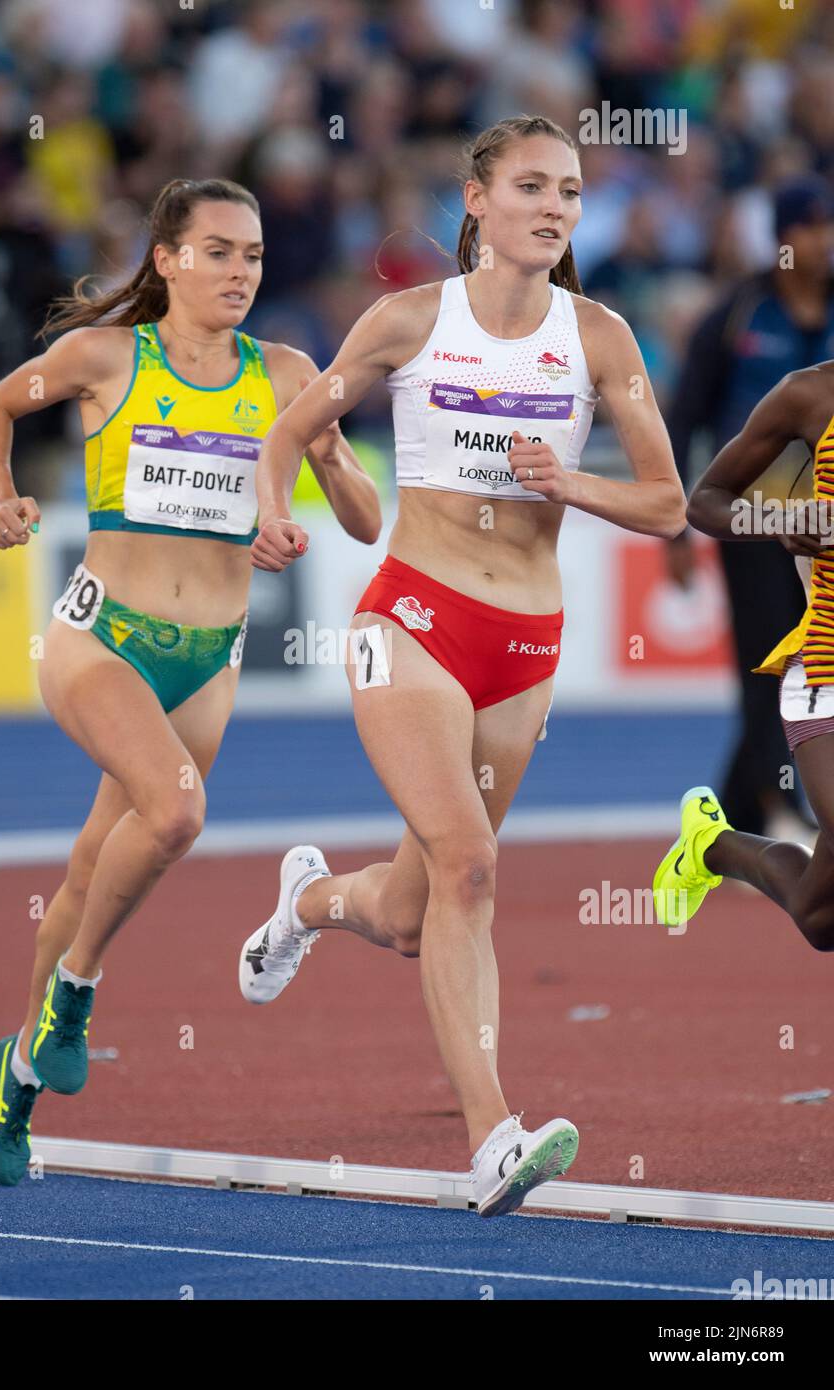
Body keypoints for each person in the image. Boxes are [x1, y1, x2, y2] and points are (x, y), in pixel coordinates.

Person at [240, 116, 686, 1217]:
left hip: (525, 645)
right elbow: (291, 428)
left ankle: (306, 902)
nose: (554, 208)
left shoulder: (600, 339)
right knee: (469, 865)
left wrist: (567, 483)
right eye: (531, 186)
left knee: (406, 911)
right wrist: (265, 514)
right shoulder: (404, 320)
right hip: (412, 620)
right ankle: (492, 1138)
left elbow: (668, 505)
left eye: (571, 193)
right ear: (475, 201)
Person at [0, 177, 381, 1186]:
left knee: (91, 864)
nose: (238, 271)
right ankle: (74, 994)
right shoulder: (110, 356)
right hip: (100, 636)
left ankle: (13, 1078)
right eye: (216, 252)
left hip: (208, 658)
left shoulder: (284, 371)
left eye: (250, 255)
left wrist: (323, 468)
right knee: (178, 813)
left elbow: (367, 521)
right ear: (165, 259)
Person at [664, 176, 834, 838]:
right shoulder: (736, 313)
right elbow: (683, 419)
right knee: (770, 666)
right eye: (811, 229)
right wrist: (676, 529)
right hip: (759, 522)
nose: (824, 242)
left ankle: (730, 818)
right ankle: (779, 805)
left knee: (802, 668)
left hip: (829, 531)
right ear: (784, 238)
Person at [653, 362, 834, 949]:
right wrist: (778, 519)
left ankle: (710, 846)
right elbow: (704, 500)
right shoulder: (810, 395)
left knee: (820, 918)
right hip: (825, 668)